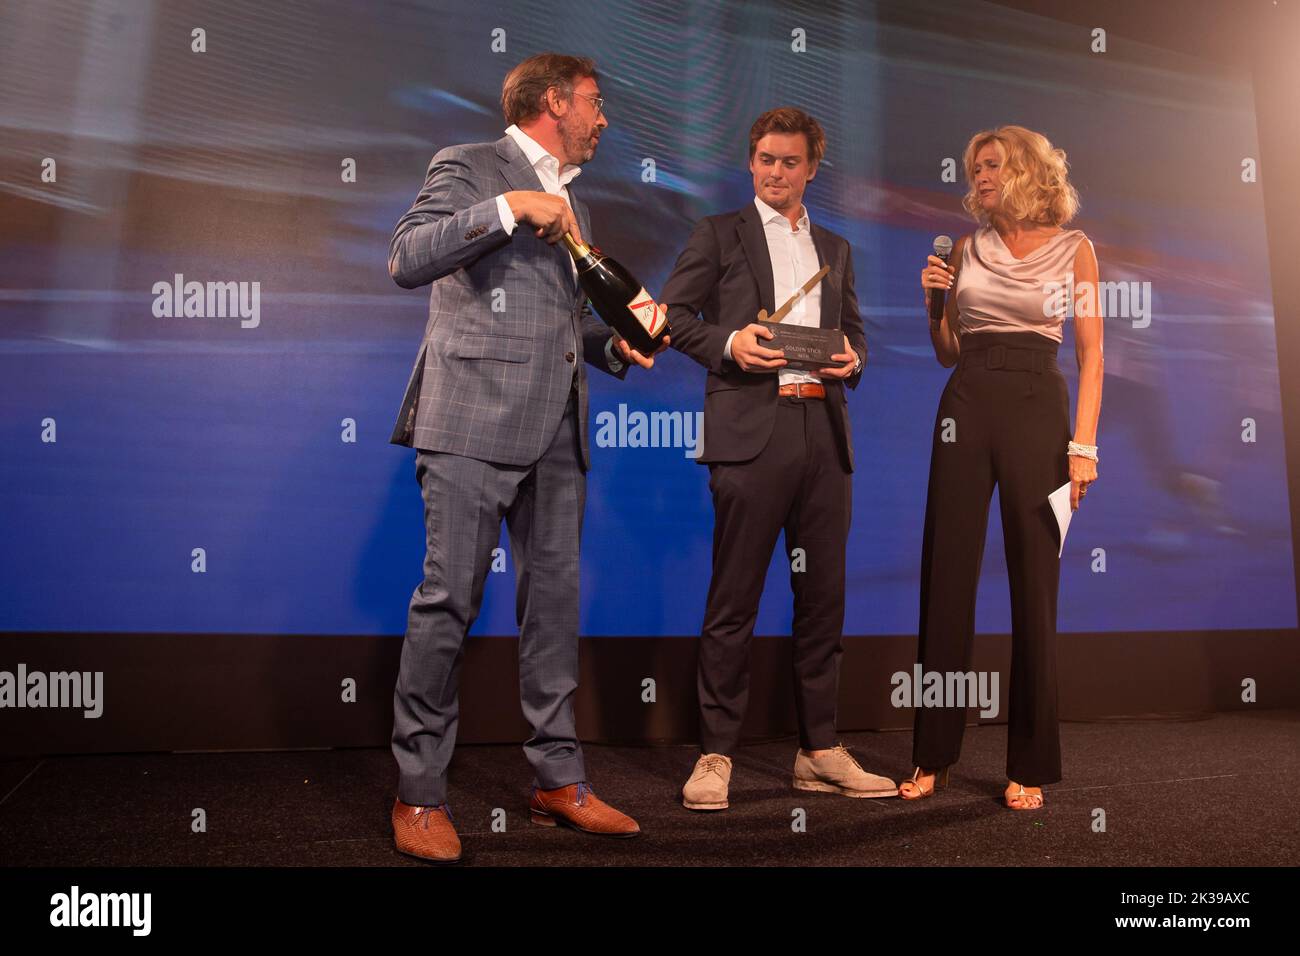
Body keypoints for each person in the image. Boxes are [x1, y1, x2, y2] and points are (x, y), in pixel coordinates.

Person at [385, 53, 666, 862]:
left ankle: (557, 780)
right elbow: (407, 258)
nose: (604, 119)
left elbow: (557, 324)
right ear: (554, 101)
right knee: (447, 607)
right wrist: (507, 207)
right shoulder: (472, 167)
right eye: (595, 104)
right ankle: (419, 794)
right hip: (471, 422)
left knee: (552, 615)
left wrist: (614, 345)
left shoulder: (575, 201)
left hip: (558, 435)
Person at [661, 107, 896, 811]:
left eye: (789, 161)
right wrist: (731, 344)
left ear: (812, 167)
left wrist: (853, 358)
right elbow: (671, 318)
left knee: (822, 600)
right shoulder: (718, 234)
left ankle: (818, 749)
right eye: (764, 158)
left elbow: (851, 332)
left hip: (823, 436)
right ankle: (715, 755)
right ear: (751, 160)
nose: (774, 172)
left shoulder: (837, 247)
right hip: (749, 436)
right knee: (733, 600)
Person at [904, 125, 1103, 810]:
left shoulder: (1077, 249)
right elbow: (947, 351)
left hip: (1039, 407)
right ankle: (932, 755)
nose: (978, 178)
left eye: (991, 165)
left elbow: (1093, 355)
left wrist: (1084, 446)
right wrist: (936, 304)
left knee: (1034, 584)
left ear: (1023, 170)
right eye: (974, 168)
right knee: (947, 574)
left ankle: (1030, 765)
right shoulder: (965, 248)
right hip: (968, 397)